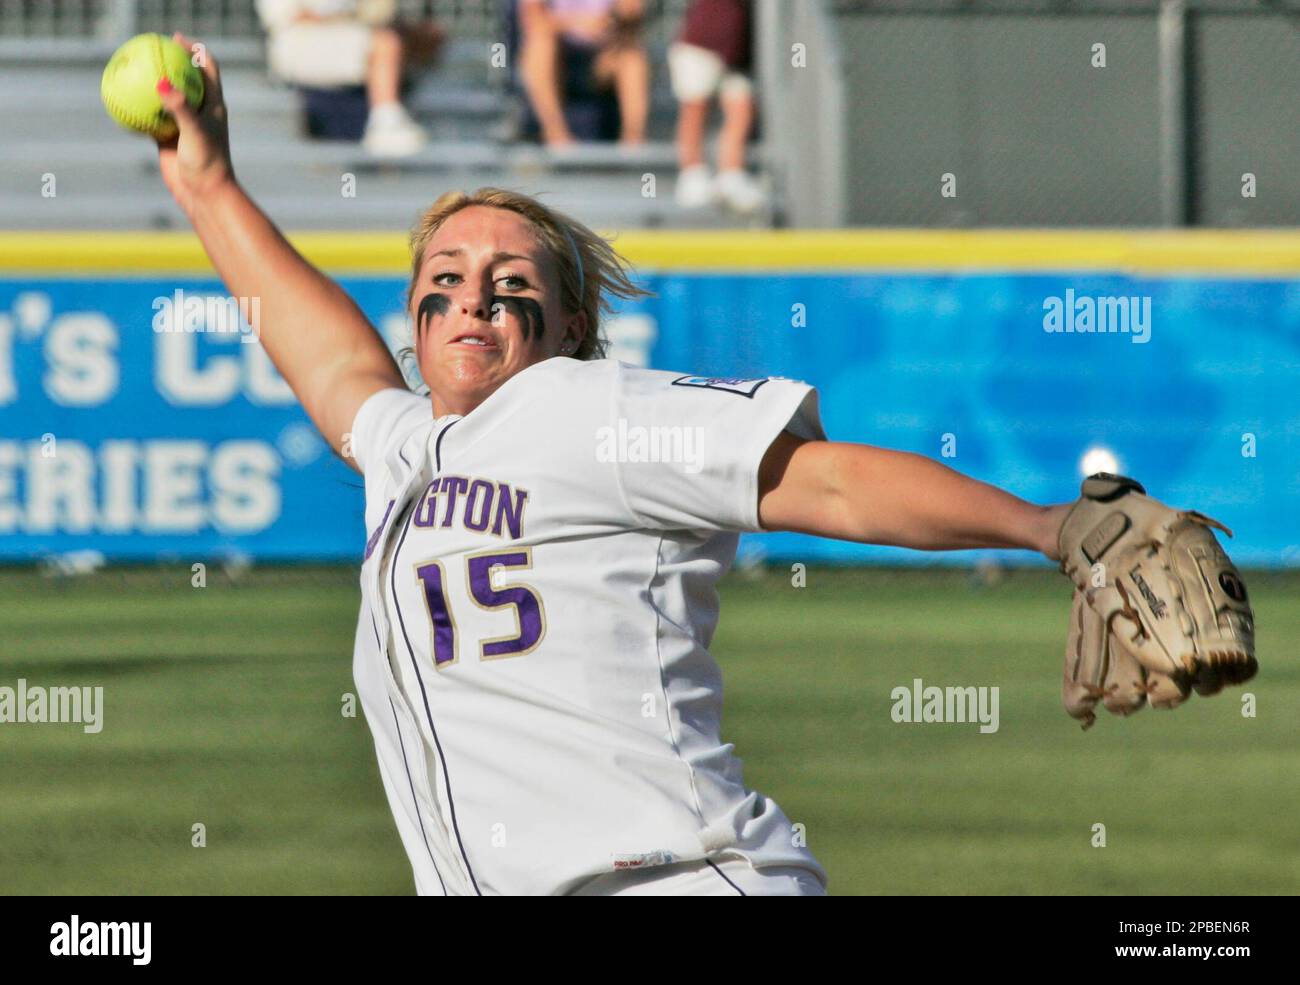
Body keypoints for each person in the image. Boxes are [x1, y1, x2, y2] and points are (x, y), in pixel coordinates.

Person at [153, 36, 1251, 895]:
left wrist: (1052, 527)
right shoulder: (406, 447)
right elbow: (328, 357)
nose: (475, 289)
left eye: (511, 271)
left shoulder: (587, 406)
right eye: (446, 271)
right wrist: (205, 184)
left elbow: (821, 480)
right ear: (416, 317)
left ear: (576, 323)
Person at [255, 0, 443, 156]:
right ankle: (386, 120)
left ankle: (401, 102)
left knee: (425, 34)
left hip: (350, 34)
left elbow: (376, 13)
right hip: (303, 41)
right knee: (386, 43)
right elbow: (296, 16)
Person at [669, 0, 764, 213]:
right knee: (695, 110)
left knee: (741, 111)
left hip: (736, 53)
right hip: (700, 44)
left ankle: (730, 174)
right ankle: (691, 174)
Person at [517, 0, 649, 147]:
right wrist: (578, 23)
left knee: (632, 57)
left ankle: (633, 143)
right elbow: (533, 20)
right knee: (540, 48)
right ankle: (557, 137)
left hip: (606, 54)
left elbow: (633, 12)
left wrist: (611, 20)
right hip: (561, 57)